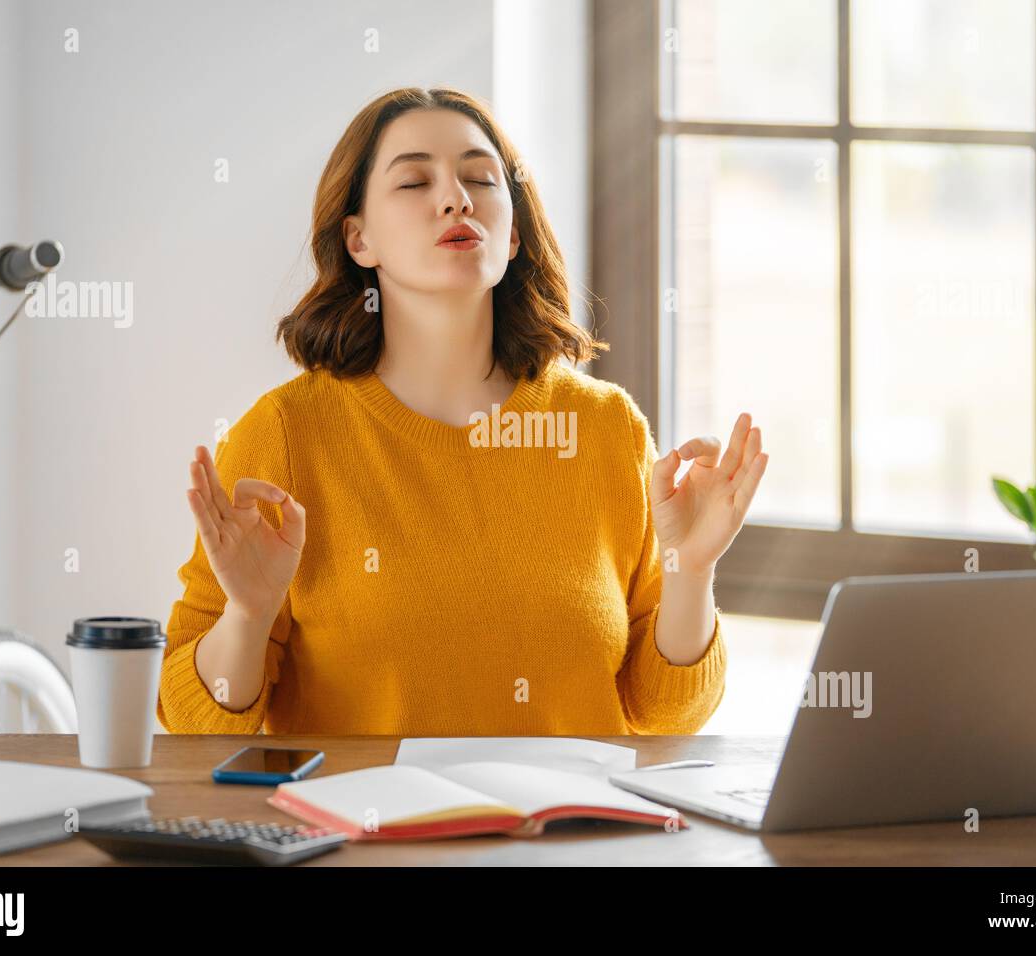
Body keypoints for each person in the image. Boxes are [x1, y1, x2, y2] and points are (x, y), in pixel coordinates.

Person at [156, 87, 768, 736]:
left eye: (480, 177)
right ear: (359, 239)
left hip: (574, 835)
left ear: (510, 236)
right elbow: (197, 729)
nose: (457, 198)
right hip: (368, 835)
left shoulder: (607, 429)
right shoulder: (284, 437)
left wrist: (691, 570)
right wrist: (248, 617)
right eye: (415, 181)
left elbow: (664, 713)